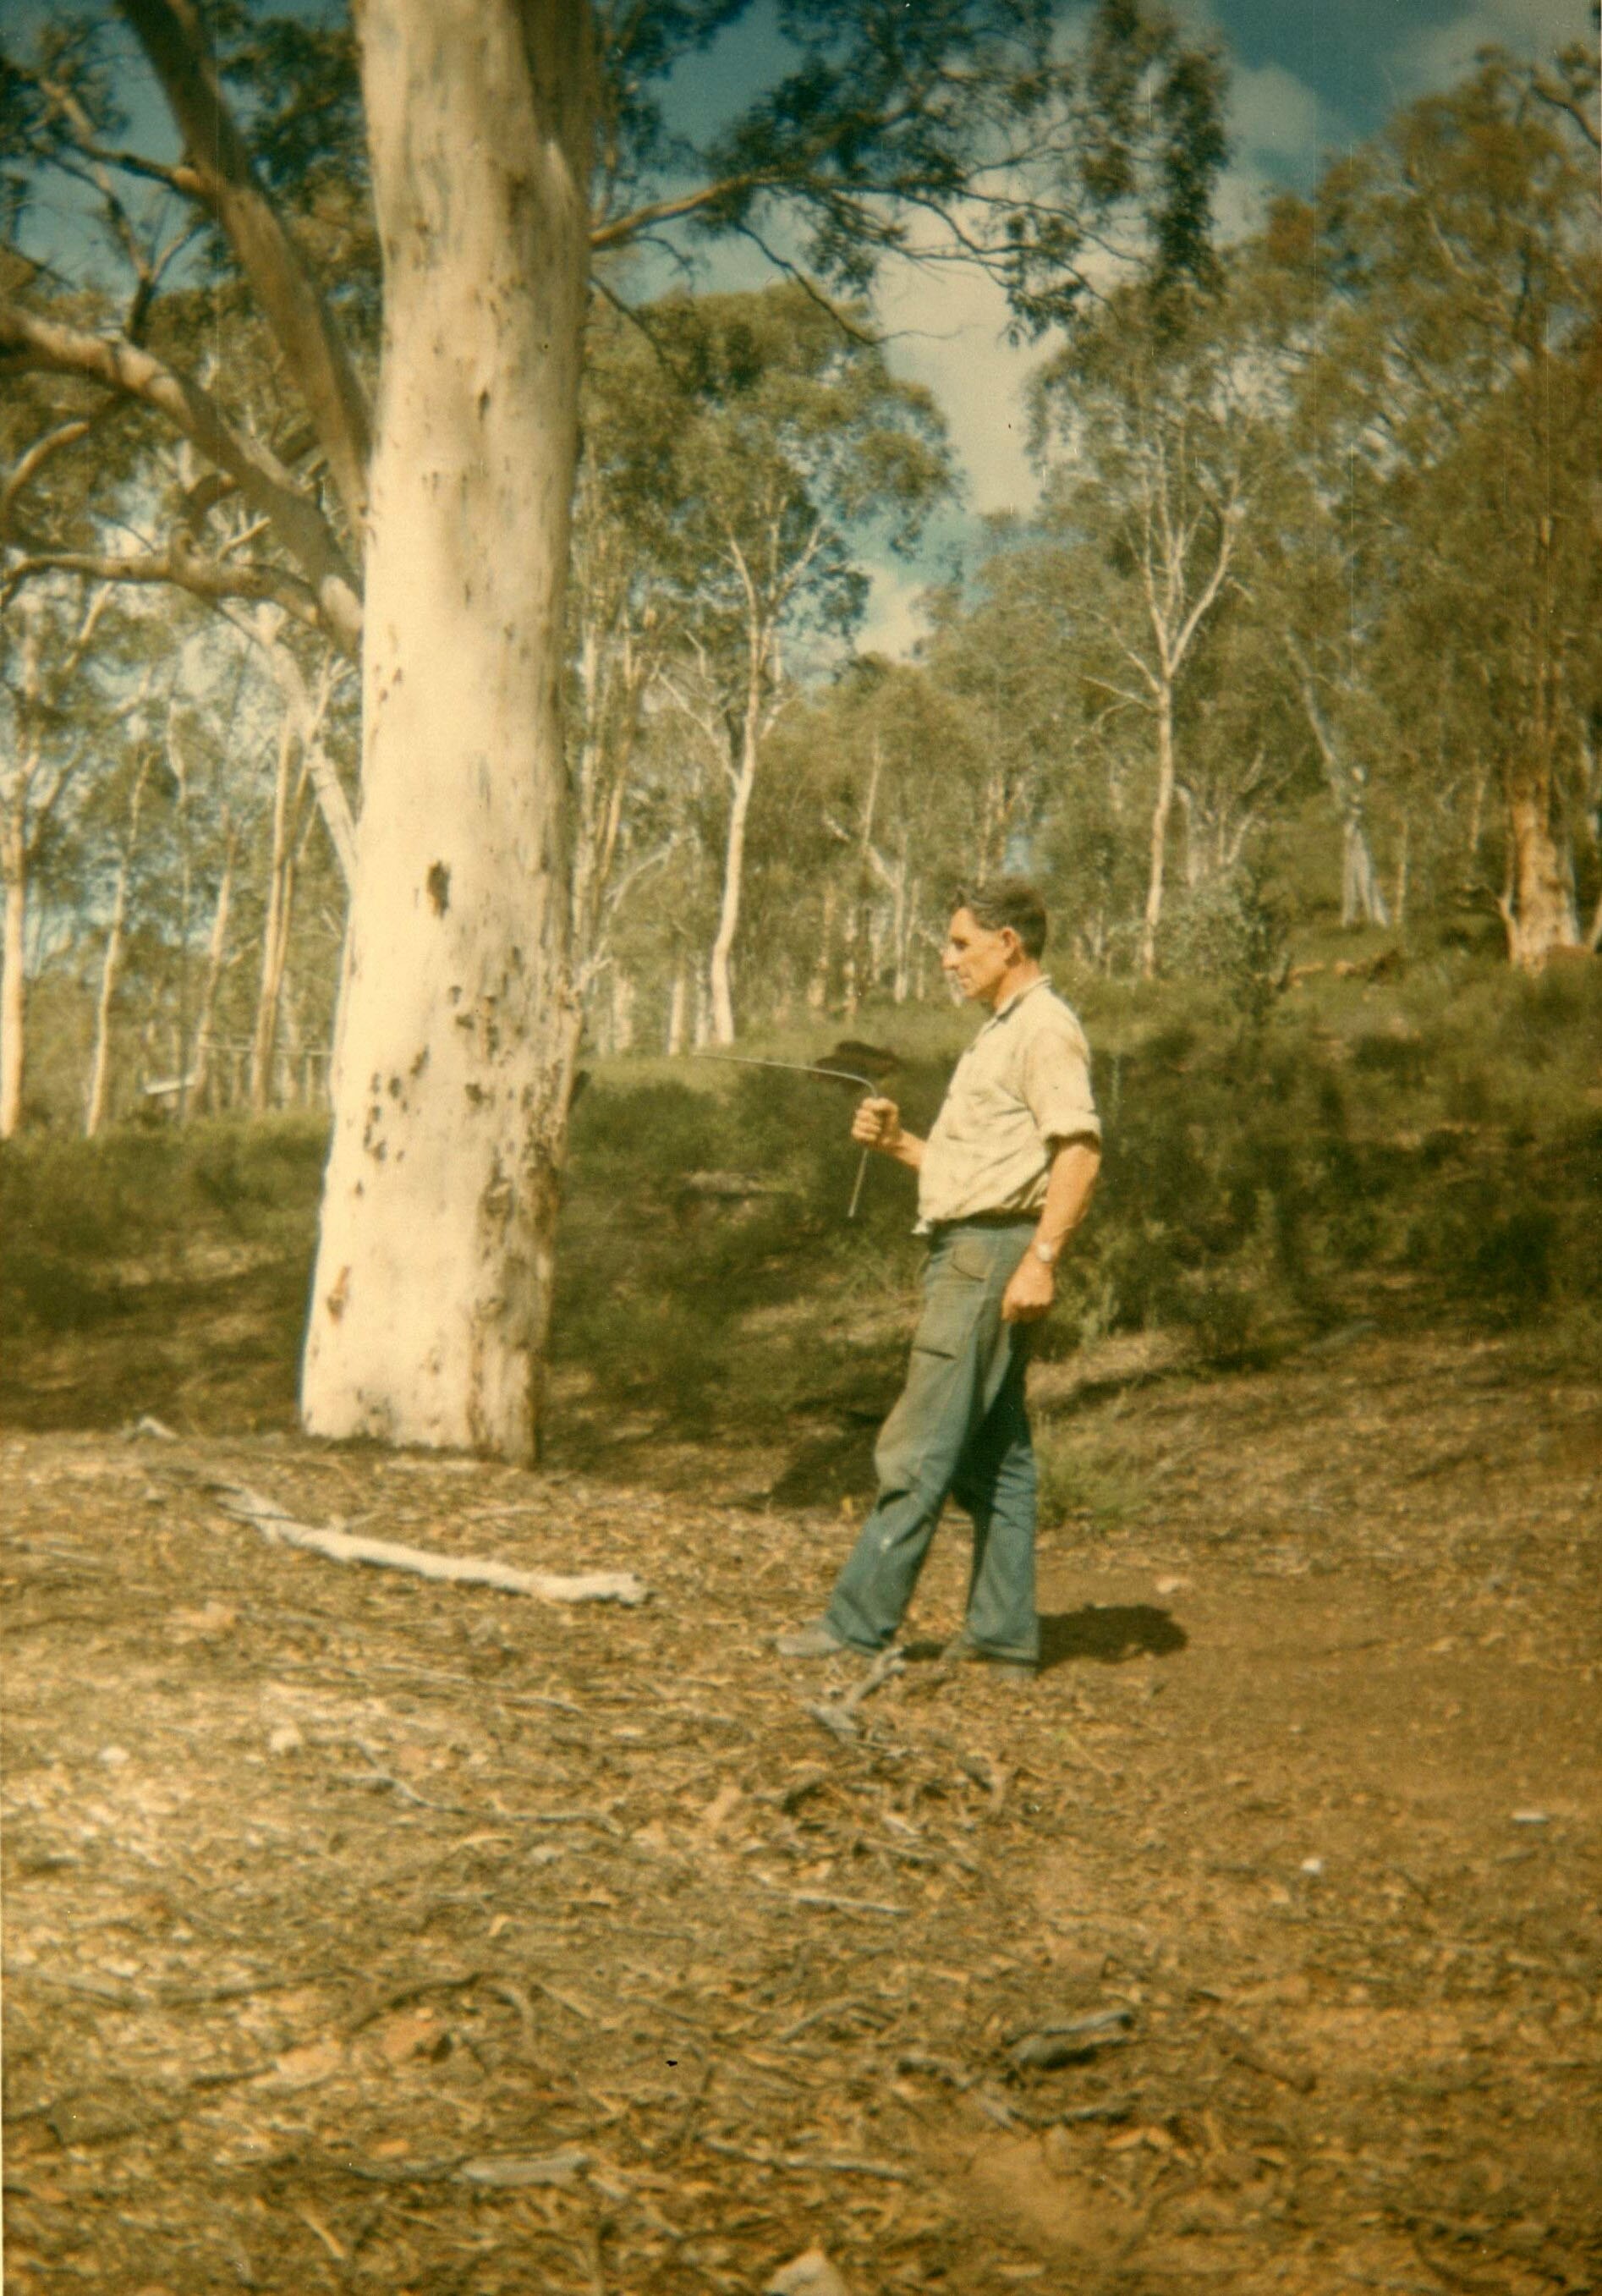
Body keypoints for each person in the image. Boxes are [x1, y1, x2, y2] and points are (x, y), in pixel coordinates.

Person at [777, 878, 1101, 1683]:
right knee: (997, 1457)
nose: (947, 958)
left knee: (917, 1446)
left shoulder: (1045, 1030)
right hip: (977, 1245)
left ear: (1008, 946)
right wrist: (898, 1145)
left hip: (989, 1258)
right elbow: (983, 1169)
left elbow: (1080, 1151)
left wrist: (1041, 1261)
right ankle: (1002, 1639)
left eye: (960, 943)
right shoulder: (1002, 1031)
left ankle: (858, 1628)